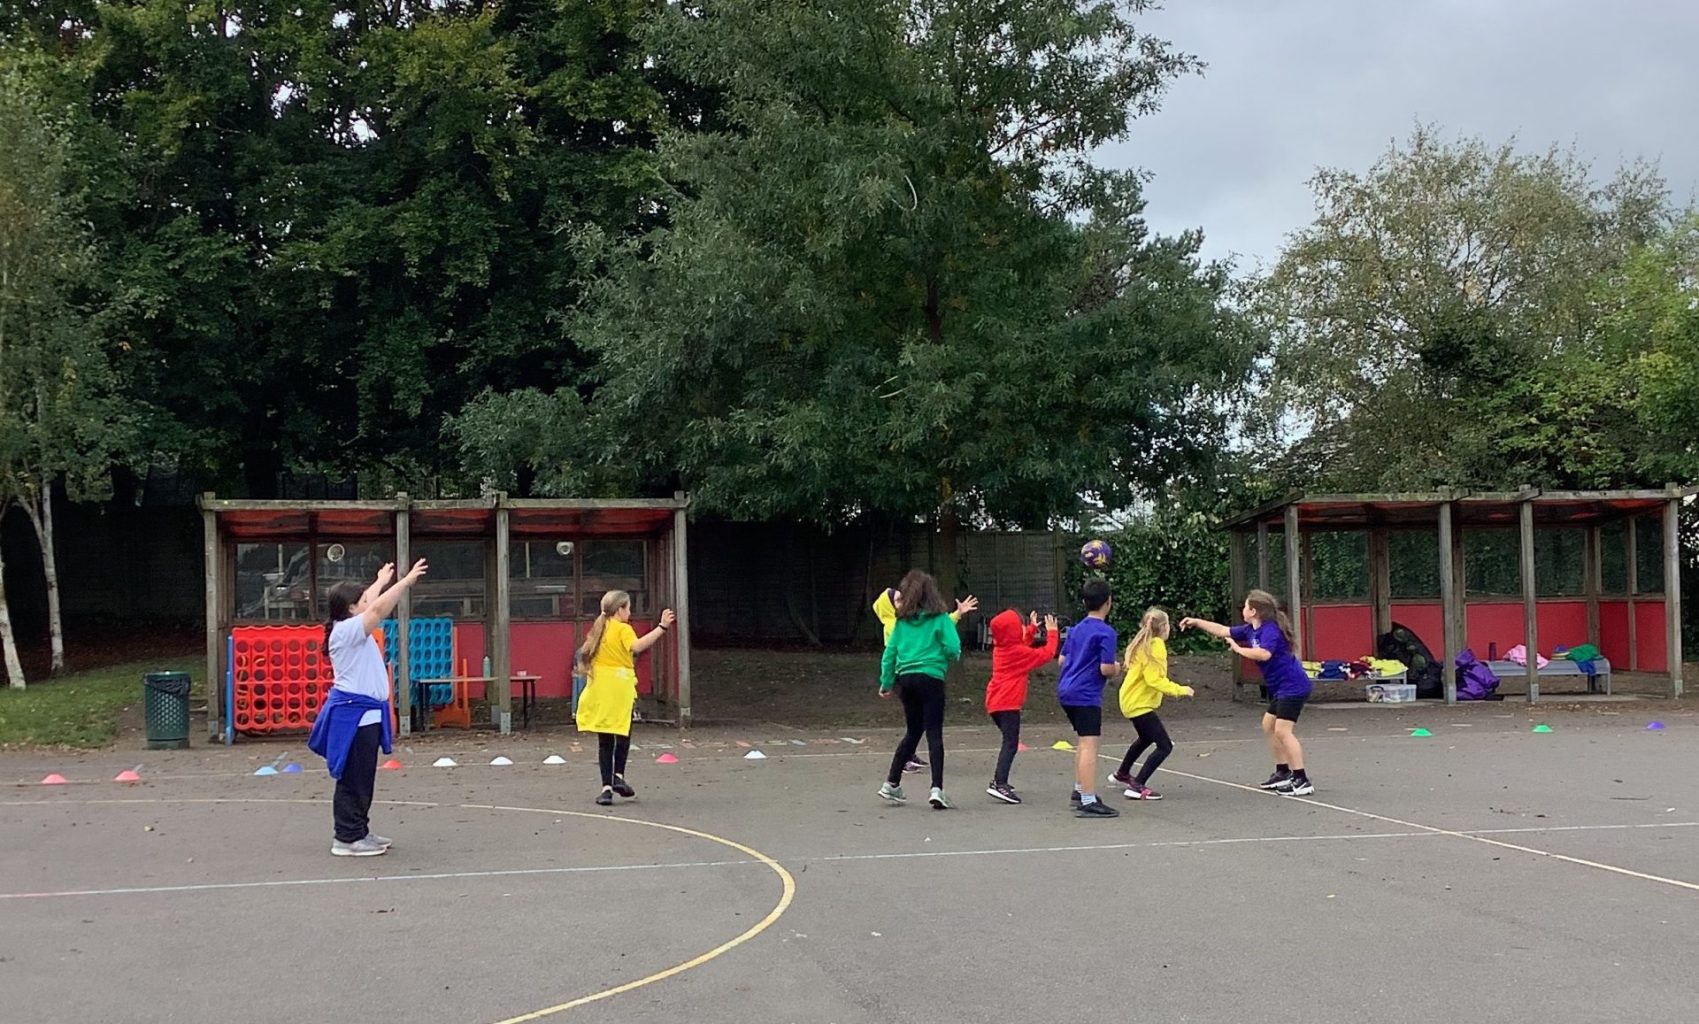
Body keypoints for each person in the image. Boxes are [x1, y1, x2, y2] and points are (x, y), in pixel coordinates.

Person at [308, 558, 428, 857]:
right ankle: (347, 837)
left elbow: (369, 602)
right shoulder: (347, 630)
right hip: (354, 716)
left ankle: (358, 830)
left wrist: (381, 581)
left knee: (363, 777)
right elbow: (375, 609)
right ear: (351, 608)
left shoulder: (348, 624)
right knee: (354, 778)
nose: (368, 601)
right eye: (361, 600)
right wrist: (405, 583)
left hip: (364, 714)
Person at [1181, 589, 1314, 795]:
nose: (1242, 609)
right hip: (1281, 687)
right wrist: (1197, 622)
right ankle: (1283, 772)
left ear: (1253, 611)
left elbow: (1264, 654)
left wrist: (1238, 650)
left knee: (1282, 731)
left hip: (1293, 685)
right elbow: (1222, 630)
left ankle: (1301, 779)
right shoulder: (1250, 630)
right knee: (1268, 724)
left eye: (1245, 606)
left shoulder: (1270, 630)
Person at [576, 590, 677, 806]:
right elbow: (637, 646)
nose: (630, 613)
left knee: (605, 739)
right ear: (620, 610)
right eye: (628, 608)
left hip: (600, 687)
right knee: (623, 732)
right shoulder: (623, 629)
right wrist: (662, 627)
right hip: (619, 687)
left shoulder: (599, 628)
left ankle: (606, 789)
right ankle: (618, 776)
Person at [877, 569, 963, 809]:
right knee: (934, 732)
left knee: (913, 730)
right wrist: (948, 655)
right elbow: (953, 647)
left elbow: (889, 654)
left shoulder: (901, 623)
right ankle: (937, 788)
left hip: (906, 680)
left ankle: (892, 782)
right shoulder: (940, 618)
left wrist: (886, 682)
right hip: (931, 677)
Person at [874, 585, 976, 774]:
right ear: (889, 606)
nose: (903, 602)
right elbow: (893, 653)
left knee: (918, 720)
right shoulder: (895, 625)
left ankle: (907, 756)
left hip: (907, 674)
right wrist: (887, 682)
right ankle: (905, 760)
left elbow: (933, 627)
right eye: (898, 600)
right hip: (904, 675)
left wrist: (957, 614)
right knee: (918, 721)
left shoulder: (905, 621)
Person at [1109, 607, 1194, 801]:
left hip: (1130, 700)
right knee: (1165, 746)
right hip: (1139, 703)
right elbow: (1154, 679)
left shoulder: (1144, 643)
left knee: (1146, 738)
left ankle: (1122, 773)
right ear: (1163, 627)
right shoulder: (1156, 646)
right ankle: (1137, 785)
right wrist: (1180, 690)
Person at [1056, 578, 1121, 817]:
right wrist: (1118, 667)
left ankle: (1079, 789)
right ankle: (1087, 799)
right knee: (1089, 745)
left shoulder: (1075, 629)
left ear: (1084, 602)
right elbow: (1105, 668)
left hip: (1066, 690)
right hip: (1085, 694)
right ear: (1108, 602)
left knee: (1083, 742)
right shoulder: (1106, 632)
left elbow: (1062, 660)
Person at [983, 608, 1060, 804]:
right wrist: (1053, 633)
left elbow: (1021, 642)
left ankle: (1000, 781)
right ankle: (999, 783)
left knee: (1009, 741)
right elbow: (1046, 653)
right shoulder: (1016, 653)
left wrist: (1032, 628)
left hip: (997, 701)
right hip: (1007, 703)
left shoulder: (1002, 648)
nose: (1022, 628)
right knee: (1010, 743)